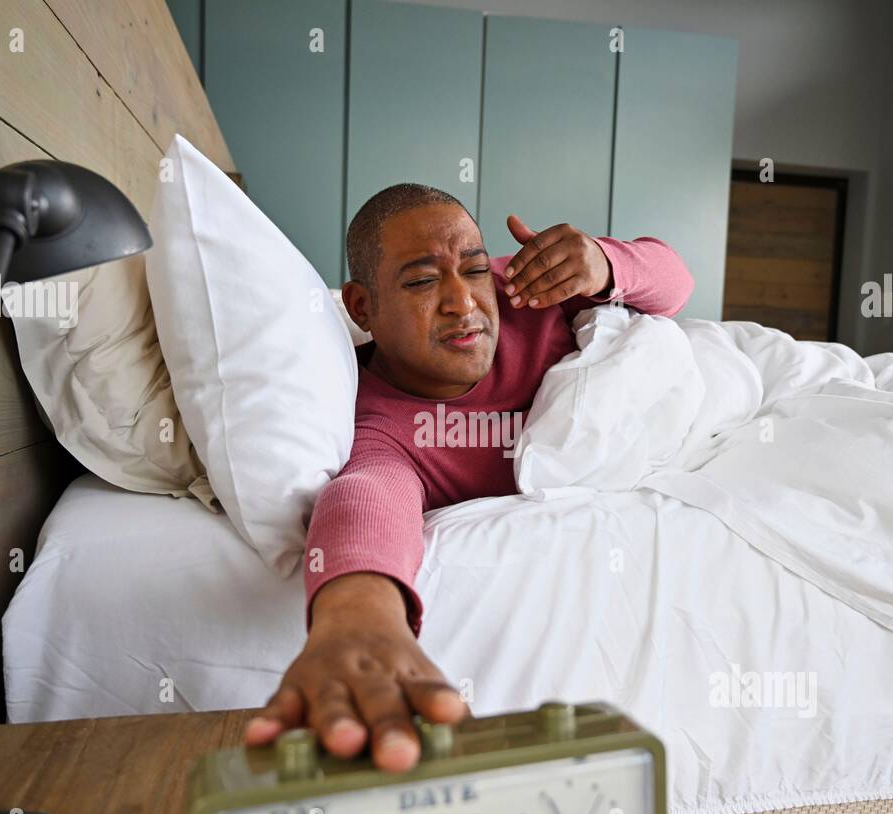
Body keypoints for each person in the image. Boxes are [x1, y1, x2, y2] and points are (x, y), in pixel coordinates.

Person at [245, 184, 694, 770]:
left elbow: (674, 283)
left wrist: (604, 263)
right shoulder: (382, 423)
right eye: (422, 281)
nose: (464, 301)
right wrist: (358, 612)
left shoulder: (525, 289)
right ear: (361, 308)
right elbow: (367, 494)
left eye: (475, 268)